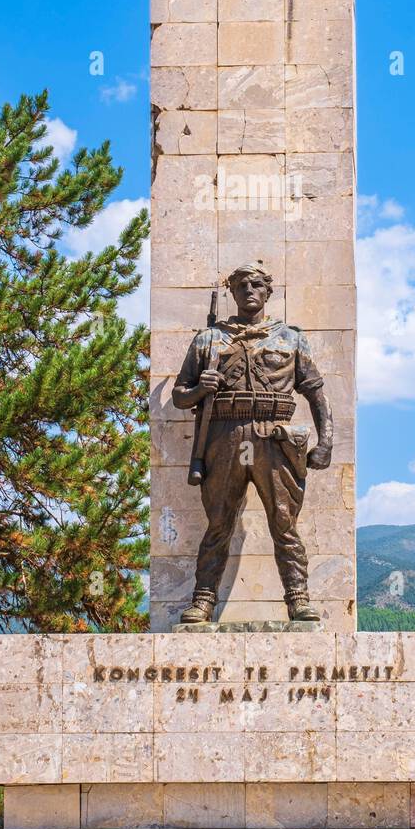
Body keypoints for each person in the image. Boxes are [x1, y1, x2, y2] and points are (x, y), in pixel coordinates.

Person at [173, 261, 334, 624]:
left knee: (284, 522)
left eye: (257, 284)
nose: (249, 290)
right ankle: (202, 600)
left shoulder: (290, 338)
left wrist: (326, 441)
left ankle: (298, 598)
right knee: (219, 523)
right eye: (241, 285)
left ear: (268, 292)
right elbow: (179, 396)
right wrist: (201, 388)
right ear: (231, 292)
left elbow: (316, 393)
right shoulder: (208, 339)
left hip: (274, 436)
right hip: (224, 436)